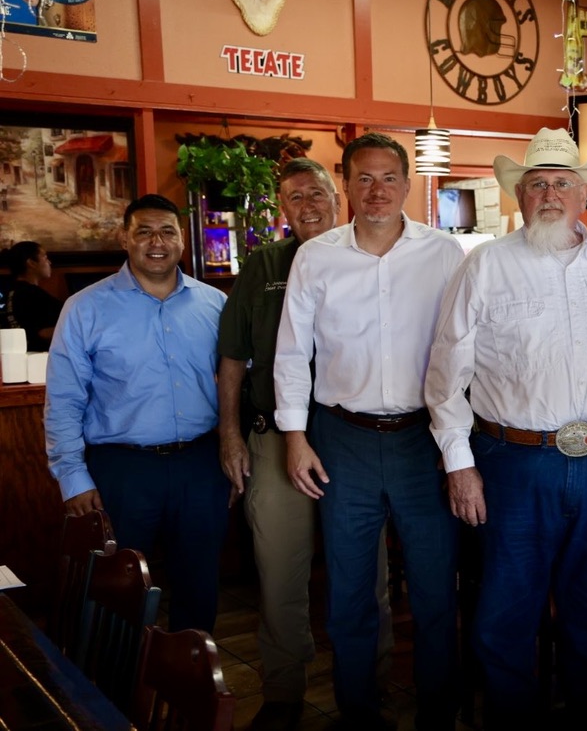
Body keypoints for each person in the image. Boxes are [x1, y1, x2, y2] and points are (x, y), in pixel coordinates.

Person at [425, 128, 587, 730]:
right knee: (505, 617)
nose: (549, 194)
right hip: (512, 464)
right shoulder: (486, 267)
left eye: (561, 183)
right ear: (518, 195)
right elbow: (444, 377)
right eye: (536, 185)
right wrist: (460, 465)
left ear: (583, 193)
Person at [274, 133, 462, 731]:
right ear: (346, 186)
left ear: (410, 185)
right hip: (341, 439)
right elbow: (290, 353)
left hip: (422, 440)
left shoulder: (446, 254)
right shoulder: (316, 257)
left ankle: (437, 713)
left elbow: (465, 351)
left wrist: (457, 443)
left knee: (435, 591)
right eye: (364, 179)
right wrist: (294, 435)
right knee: (350, 591)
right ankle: (359, 714)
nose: (377, 191)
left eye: (389, 179)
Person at [218, 158, 394, 731]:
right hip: (275, 439)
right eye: (295, 198)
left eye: (316, 192)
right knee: (280, 571)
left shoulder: (367, 257)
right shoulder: (264, 267)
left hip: (350, 436)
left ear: (337, 195)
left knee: (368, 572)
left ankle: (370, 689)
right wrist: (230, 437)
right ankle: (284, 693)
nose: (308, 205)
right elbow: (232, 361)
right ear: (282, 209)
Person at [45, 193, 229, 633]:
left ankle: (190, 688)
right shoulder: (86, 308)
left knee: (199, 585)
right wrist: (72, 476)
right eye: (143, 231)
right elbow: (65, 399)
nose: (156, 241)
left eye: (167, 231)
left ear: (182, 240)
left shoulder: (215, 305)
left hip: (201, 464)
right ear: (125, 238)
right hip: (122, 469)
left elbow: (239, 384)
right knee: (116, 591)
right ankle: (112, 696)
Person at [1, 241, 64, 351]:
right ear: (31, 263)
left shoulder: (8, 291)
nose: (49, 262)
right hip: (37, 358)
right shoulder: (32, 295)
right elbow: (43, 332)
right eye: (45, 257)